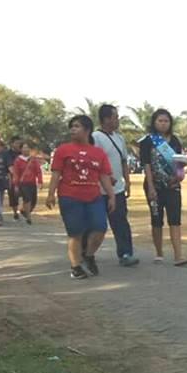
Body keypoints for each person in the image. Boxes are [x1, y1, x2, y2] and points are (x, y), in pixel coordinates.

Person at [46, 114, 116, 280]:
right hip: (70, 196)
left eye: (77, 126)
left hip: (93, 197)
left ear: (87, 130)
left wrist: (111, 196)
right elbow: (56, 174)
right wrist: (50, 194)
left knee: (100, 228)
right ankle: (75, 266)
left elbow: (104, 176)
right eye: (71, 127)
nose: (73, 130)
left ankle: (88, 255)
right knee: (76, 233)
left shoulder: (98, 153)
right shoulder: (63, 150)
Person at [139, 109, 187, 265]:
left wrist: (179, 176)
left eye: (166, 121)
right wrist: (151, 186)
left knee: (175, 219)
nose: (163, 124)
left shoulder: (175, 141)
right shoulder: (147, 141)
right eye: (160, 121)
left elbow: (179, 162)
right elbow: (147, 165)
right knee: (156, 219)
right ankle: (159, 252)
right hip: (154, 185)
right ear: (154, 122)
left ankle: (178, 255)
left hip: (172, 185)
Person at [92, 104, 139, 266]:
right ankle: (87, 252)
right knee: (96, 224)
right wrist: (105, 178)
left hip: (117, 189)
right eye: (115, 117)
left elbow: (123, 161)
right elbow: (93, 162)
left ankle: (125, 253)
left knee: (121, 223)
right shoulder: (96, 138)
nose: (118, 120)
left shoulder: (119, 138)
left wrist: (127, 181)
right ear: (106, 119)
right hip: (99, 191)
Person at [11, 142, 43, 224]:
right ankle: (28, 217)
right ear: (21, 149)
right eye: (24, 148)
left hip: (32, 183)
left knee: (34, 201)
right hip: (23, 184)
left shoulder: (33, 160)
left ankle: (24, 210)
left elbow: (38, 171)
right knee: (27, 199)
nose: (26, 149)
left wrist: (40, 181)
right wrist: (16, 184)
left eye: (27, 147)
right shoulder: (18, 160)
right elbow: (16, 173)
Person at [6, 136, 23, 220]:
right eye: (16, 143)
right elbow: (10, 167)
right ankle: (15, 212)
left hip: (24, 177)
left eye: (19, 143)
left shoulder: (22, 153)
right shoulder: (8, 154)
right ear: (12, 144)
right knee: (13, 195)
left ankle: (24, 209)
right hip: (12, 177)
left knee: (26, 194)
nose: (18, 144)